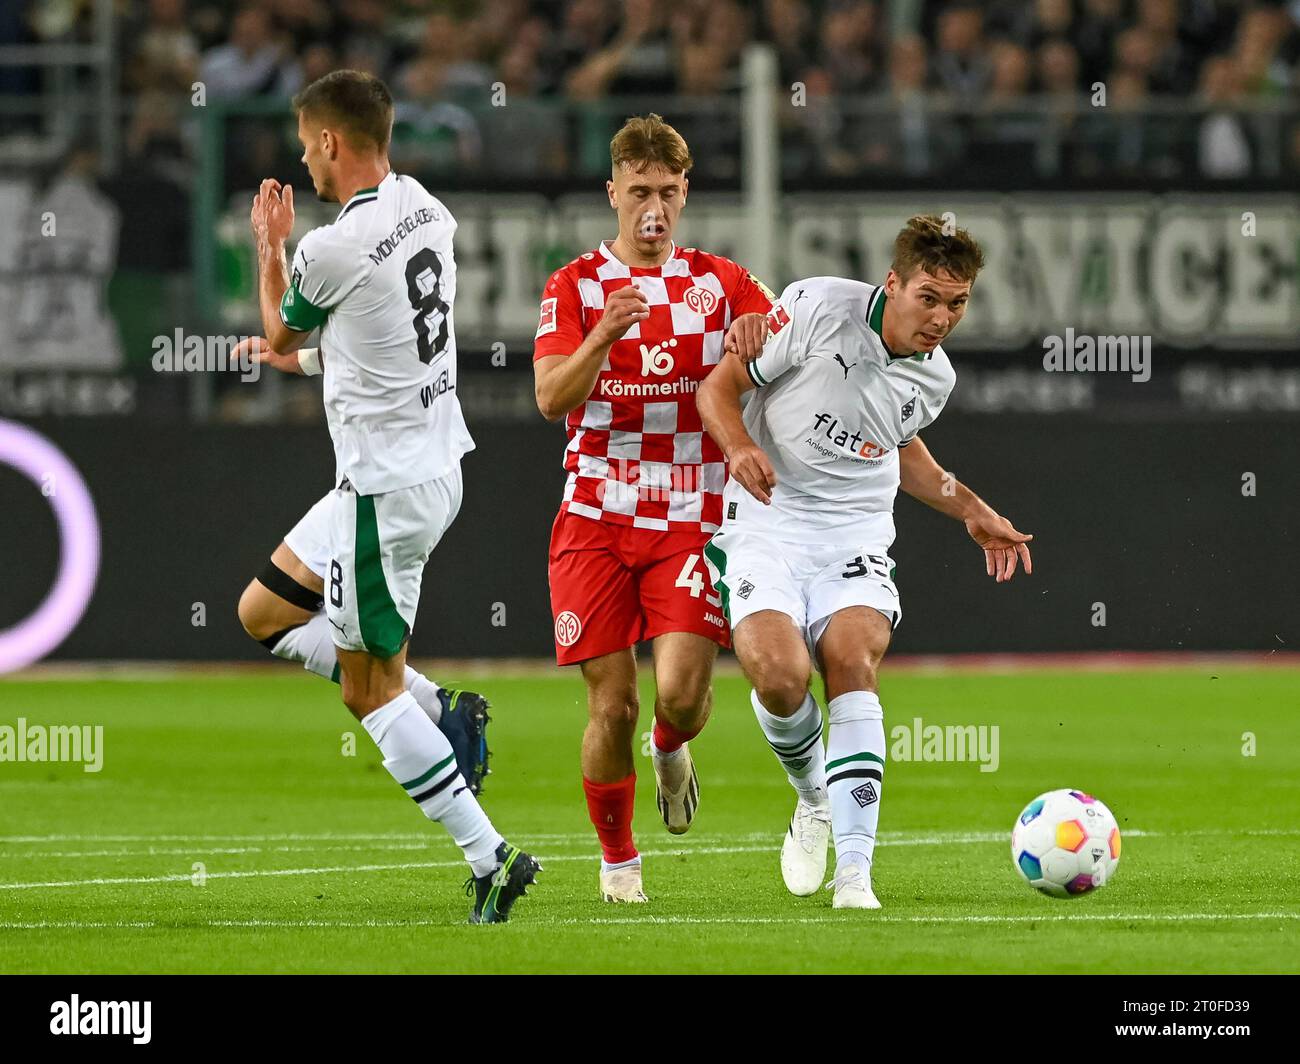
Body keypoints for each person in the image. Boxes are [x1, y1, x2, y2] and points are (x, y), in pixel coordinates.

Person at [236, 70, 537, 923]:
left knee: (368, 691)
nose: (302, 158)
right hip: (434, 463)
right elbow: (373, 339)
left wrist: (271, 245)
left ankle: (492, 857)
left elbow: (281, 325)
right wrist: (297, 359)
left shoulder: (326, 248)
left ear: (332, 142)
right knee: (263, 612)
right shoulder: (424, 208)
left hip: (382, 491)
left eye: (306, 143)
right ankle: (447, 710)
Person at [696, 215, 1033, 909]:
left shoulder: (934, 378)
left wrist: (970, 507)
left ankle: (855, 876)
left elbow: (899, 448)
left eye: (958, 303)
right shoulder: (817, 308)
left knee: (853, 659)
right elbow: (716, 390)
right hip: (768, 522)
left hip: (853, 535)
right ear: (892, 283)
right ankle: (813, 796)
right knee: (782, 677)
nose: (942, 318)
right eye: (930, 298)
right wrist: (738, 447)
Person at [531, 114, 773, 902]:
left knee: (676, 697)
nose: (654, 207)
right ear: (612, 193)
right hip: (596, 516)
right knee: (612, 703)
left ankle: (672, 747)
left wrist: (763, 329)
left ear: (685, 192)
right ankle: (619, 862)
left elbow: (791, 334)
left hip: (693, 517)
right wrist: (601, 334)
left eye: (668, 191)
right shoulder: (574, 286)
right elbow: (547, 397)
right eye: (639, 191)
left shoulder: (724, 282)